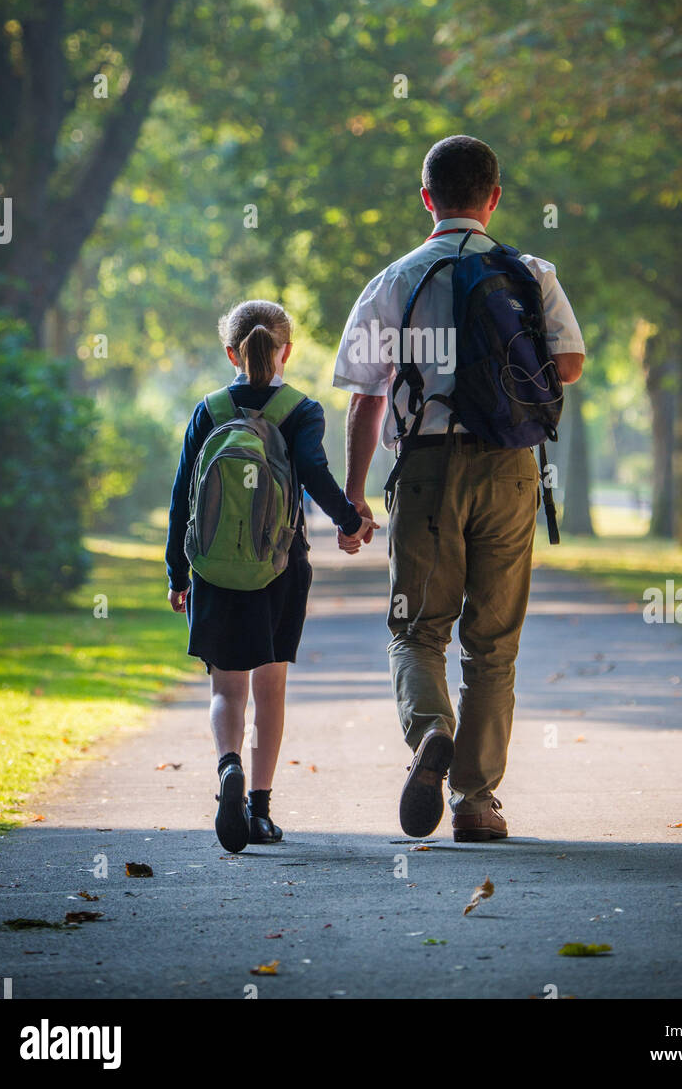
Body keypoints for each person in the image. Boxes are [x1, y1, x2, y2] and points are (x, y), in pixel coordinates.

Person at [332, 136, 585, 841]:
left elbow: (363, 396)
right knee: (492, 642)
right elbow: (567, 365)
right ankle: (476, 802)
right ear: (494, 197)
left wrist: (354, 497)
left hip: (424, 470)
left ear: (425, 198)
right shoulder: (529, 271)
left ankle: (429, 734)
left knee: (416, 630)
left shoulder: (395, 280)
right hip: (509, 468)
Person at [165, 299, 375, 853]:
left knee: (225, 688)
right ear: (286, 351)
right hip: (280, 565)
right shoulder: (301, 410)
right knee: (270, 688)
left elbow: (183, 495)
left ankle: (227, 768)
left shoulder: (208, 409)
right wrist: (352, 521)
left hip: (214, 568)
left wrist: (177, 572)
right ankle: (259, 809)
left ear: (230, 351)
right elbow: (315, 475)